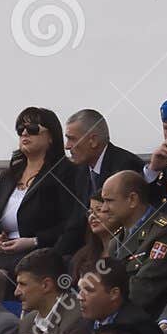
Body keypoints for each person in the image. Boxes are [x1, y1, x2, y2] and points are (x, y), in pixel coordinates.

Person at [0, 106, 76, 270]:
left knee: (3, 276)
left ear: (51, 137)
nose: (24, 133)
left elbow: (70, 222)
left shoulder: (64, 172)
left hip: (40, 254)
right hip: (1, 255)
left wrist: (34, 241)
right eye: (20, 129)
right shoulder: (8, 176)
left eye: (32, 129)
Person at [101, 170, 167, 319]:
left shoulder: (165, 232)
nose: (103, 208)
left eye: (109, 201)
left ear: (132, 199)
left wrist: (101, 303)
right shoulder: (116, 241)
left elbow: (143, 290)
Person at [59, 108, 143, 255]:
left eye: (72, 139)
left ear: (93, 140)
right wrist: (55, 257)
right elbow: (75, 224)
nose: (67, 146)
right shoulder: (79, 171)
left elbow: (124, 220)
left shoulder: (125, 167)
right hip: (90, 248)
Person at [14, 248, 90, 334]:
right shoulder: (26, 324)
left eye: (22, 284)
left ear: (46, 285)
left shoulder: (78, 319)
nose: (16, 292)